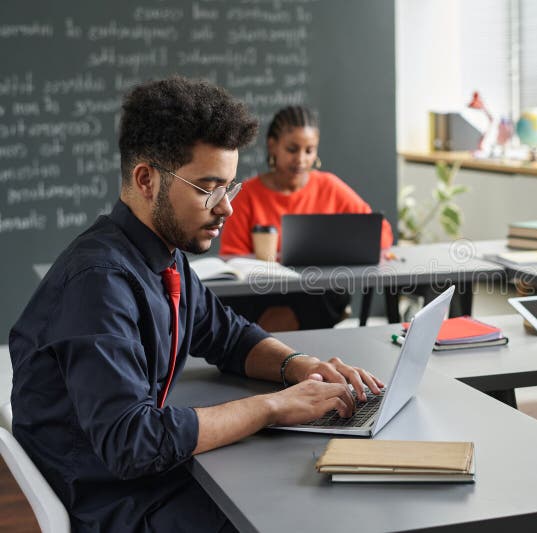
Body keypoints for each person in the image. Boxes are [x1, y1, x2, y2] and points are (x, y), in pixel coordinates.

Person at [8, 77, 384, 533]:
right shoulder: (99, 284)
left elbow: (228, 336)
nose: (225, 208)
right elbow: (134, 443)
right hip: (116, 502)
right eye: (209, 187)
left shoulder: (163, 256)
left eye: (230, 187)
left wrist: (302, 367)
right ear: (146, 180)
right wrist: (273, 407)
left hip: (149, 480)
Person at [219, 105, 394, 332]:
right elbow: (233, 260)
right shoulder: (248, 195)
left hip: (314, 291)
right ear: (273, 146)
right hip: (261, 292)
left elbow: (381, 233)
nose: (301, 159)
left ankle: (265, 351)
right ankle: (274, 354)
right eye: (292, 149)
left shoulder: (330, 187)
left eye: (309, 150)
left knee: (327, 294)